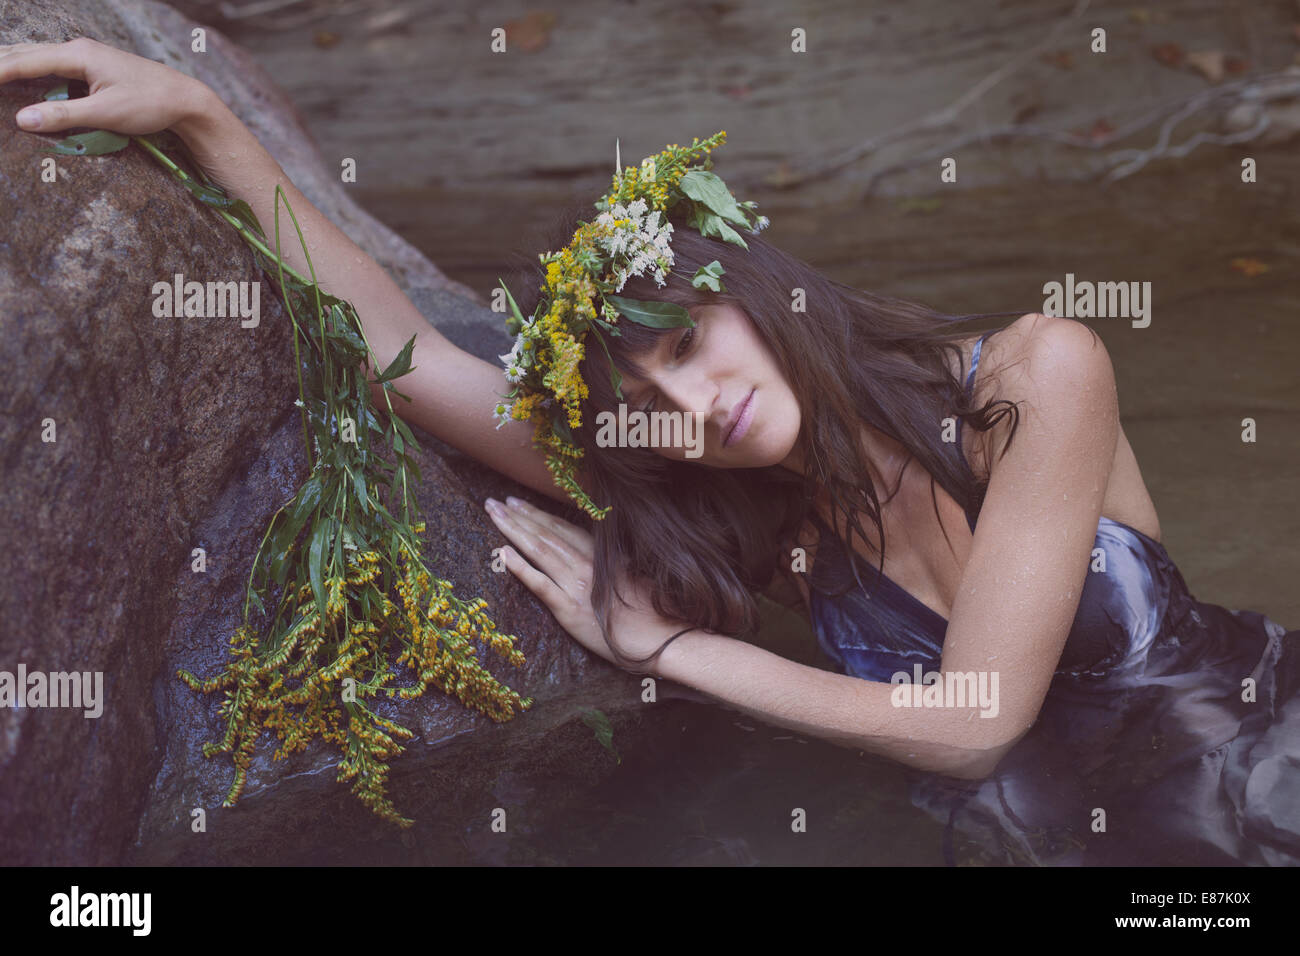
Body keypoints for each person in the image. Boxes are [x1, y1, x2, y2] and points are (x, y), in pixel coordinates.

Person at [5, 37, 1296, 866]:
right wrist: (204, 118)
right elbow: (411, 356)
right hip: (1041, 839)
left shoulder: (1032, 375)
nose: (693, 405)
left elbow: (970, 726)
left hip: (1251, 777)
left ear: (755, 289)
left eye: (686, 341)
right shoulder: (734, 502)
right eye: (644, 399)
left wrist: (666, 649)